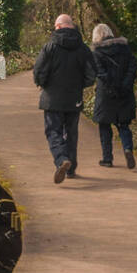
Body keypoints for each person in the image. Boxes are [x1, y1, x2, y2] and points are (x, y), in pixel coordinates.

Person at [33, 14, 96, 184]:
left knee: (53, 131)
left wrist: (41, 83)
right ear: (71, 26)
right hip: (74, 97)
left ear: (59, 26)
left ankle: (61, 160)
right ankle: (71, 168)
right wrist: (80, 86)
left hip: (52, 98)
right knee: (71, 132)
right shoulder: (83, 48)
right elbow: (91, 74)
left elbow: (39, 70)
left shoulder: (50, 46)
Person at [90, 23, 137, 169]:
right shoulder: (125, 48)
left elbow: (100, 73)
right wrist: (125, 85)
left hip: (106, 96)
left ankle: (107, 158)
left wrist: (111, 88)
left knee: (104, 127)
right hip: (125, 93)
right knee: (123, 125)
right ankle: (128, 149)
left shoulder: (97, 53)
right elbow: (133, 68)